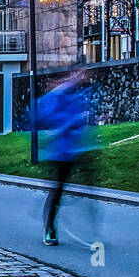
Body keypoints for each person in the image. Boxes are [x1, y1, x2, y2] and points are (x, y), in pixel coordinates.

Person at [35, 67, 91, 246]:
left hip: (74, 150)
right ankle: (49, 226)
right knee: (57, 191)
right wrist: (73, 122)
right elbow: (53, 125)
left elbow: (79, 123)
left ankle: (90, 228)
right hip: (58, 153)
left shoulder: (72, 98)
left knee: (88, 186)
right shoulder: (52, 99)